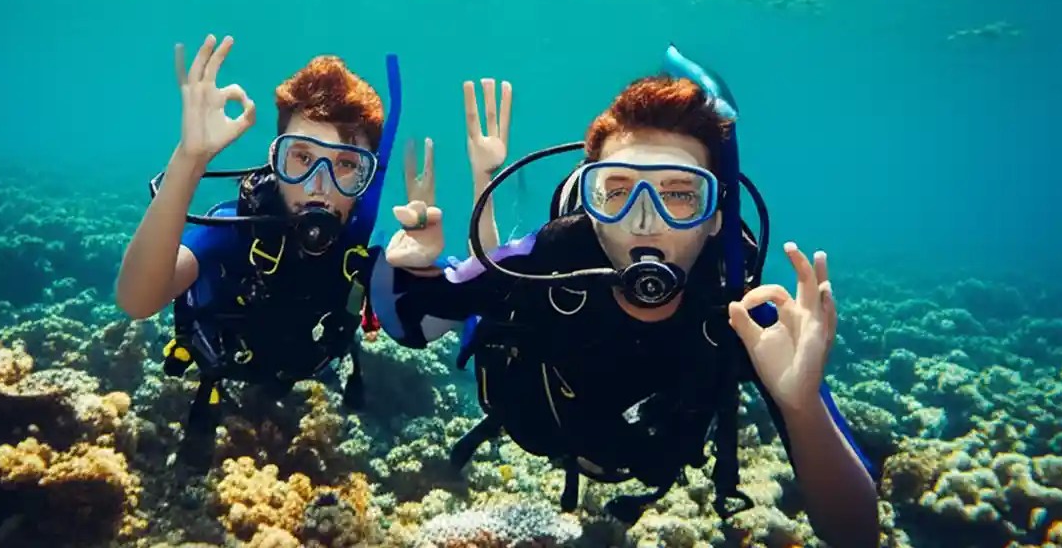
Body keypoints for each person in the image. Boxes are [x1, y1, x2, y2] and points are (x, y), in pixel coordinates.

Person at [370, 43, 882, 546]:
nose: (644, 220)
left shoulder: (742, 316)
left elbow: (855, 534)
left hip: (649, 458)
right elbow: (408, 322)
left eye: (680, 195)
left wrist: (801, 407)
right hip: (538, 428)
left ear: (714, 222)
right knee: (491, 296)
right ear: (587, 208)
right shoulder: (548, 262)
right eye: (615, 191)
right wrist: (415, 272)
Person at [116, 33, 513, 471]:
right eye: (301, 158)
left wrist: (423, 273)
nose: (320, 186)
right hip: (224, 363)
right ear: (275, 163)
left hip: (308, 368)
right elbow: (137, 299)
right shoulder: (236, 233)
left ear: (366, 179)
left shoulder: (363, 249)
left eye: (346, 166)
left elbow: (460, 314)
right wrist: (189, 161)